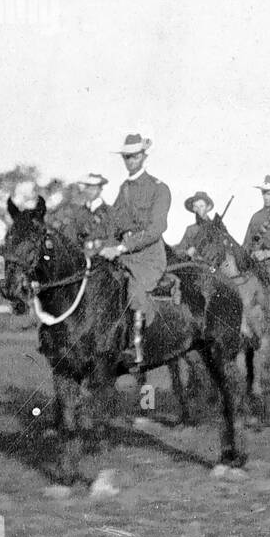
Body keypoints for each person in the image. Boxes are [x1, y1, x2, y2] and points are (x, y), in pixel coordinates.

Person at [96, 134, 171, 365]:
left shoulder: (159, 188)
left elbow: (157, 228)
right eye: (126, 157)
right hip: (124, 253)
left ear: (143, 156)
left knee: (134, 289)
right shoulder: (124, 188)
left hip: (148, 256)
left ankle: (135, 346)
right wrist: (106, 246)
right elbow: (113, 223)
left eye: (134, 156)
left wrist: (121, 247)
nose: (130, 161)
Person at [55, 173, 110, 246]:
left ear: (99, 190)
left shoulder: (105, 210)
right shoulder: (79, 208)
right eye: (87, 187)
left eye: (92, 187)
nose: (87, 190)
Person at [171, 190, 216, 260]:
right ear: (193, 209)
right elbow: (179, 250)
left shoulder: (216, 227)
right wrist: (187, 253)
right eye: (195, 206)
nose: (198, 209)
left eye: (201, 206)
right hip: (195, 267)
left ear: (208, 207)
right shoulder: (190, 230)